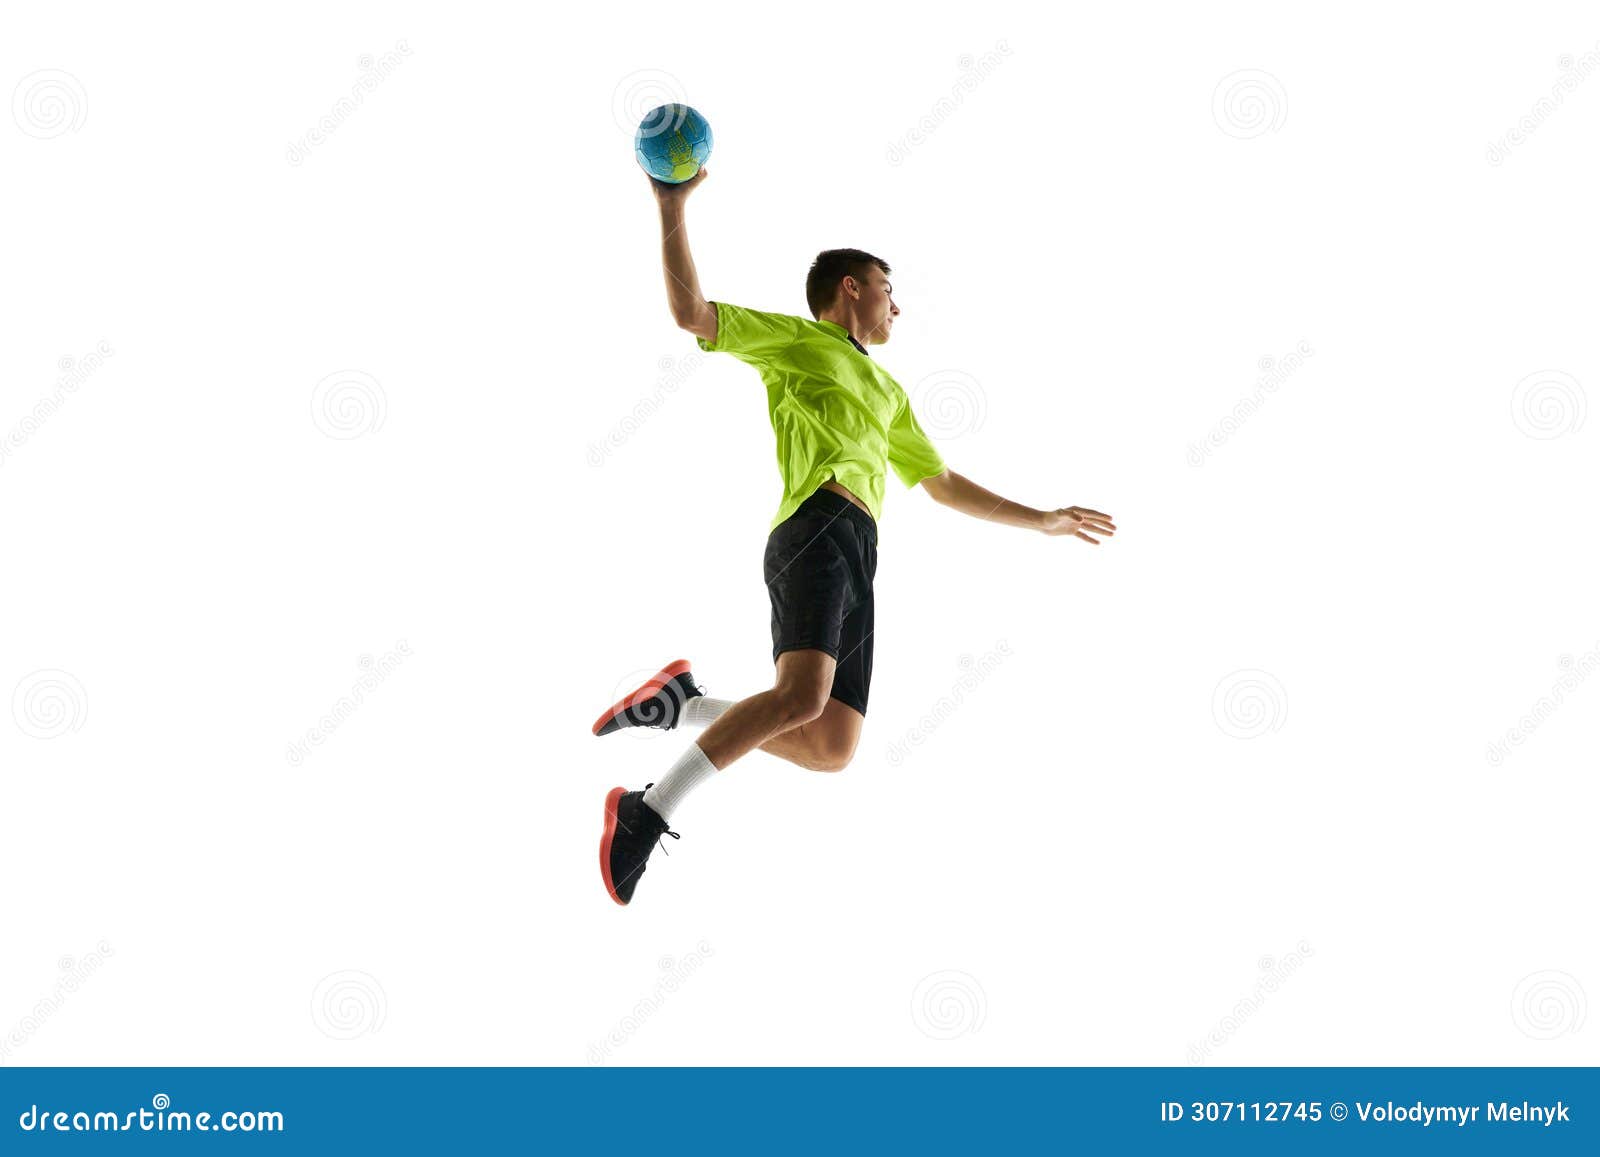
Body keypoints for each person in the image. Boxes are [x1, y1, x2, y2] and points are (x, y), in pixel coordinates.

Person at [596, 166, 1117, 906]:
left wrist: (1043, 518)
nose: (896, 306)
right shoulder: (799, 343)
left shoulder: (890, 393)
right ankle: (646, 812)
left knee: (831, 744)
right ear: (851, 288)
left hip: (861, 551)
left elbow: (940, 483)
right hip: (814, 525)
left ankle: (682, 702)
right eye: (886, 288)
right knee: (801, 696)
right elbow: (692, 314)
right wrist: (671, 203)